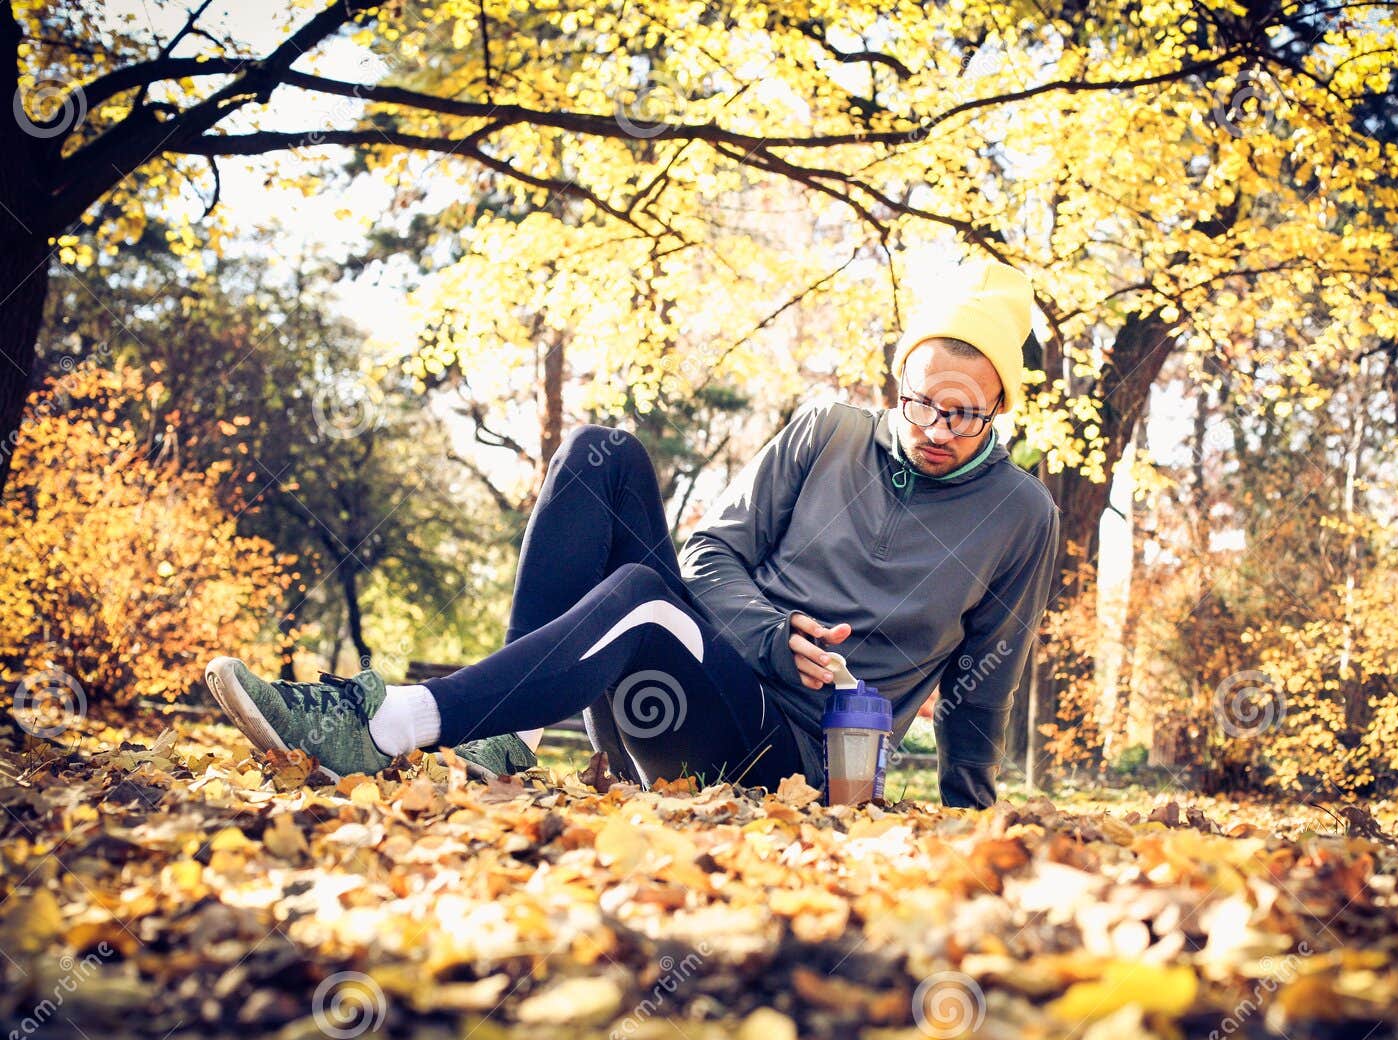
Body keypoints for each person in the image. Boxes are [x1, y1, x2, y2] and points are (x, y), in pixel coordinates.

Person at [204, 258, 1061, 808]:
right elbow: (709, 552)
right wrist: (767, 635)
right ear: (896, 380)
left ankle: (390, 722)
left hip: (790, 754)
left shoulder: (1021, 514)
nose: (934, 426)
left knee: (648, 606)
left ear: (998, 409)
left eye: (962, 411)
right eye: (919, 399)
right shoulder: (827, 431)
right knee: (597, 452)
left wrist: (969, 815)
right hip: (702, 679)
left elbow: (986, 679)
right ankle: (509, 738)